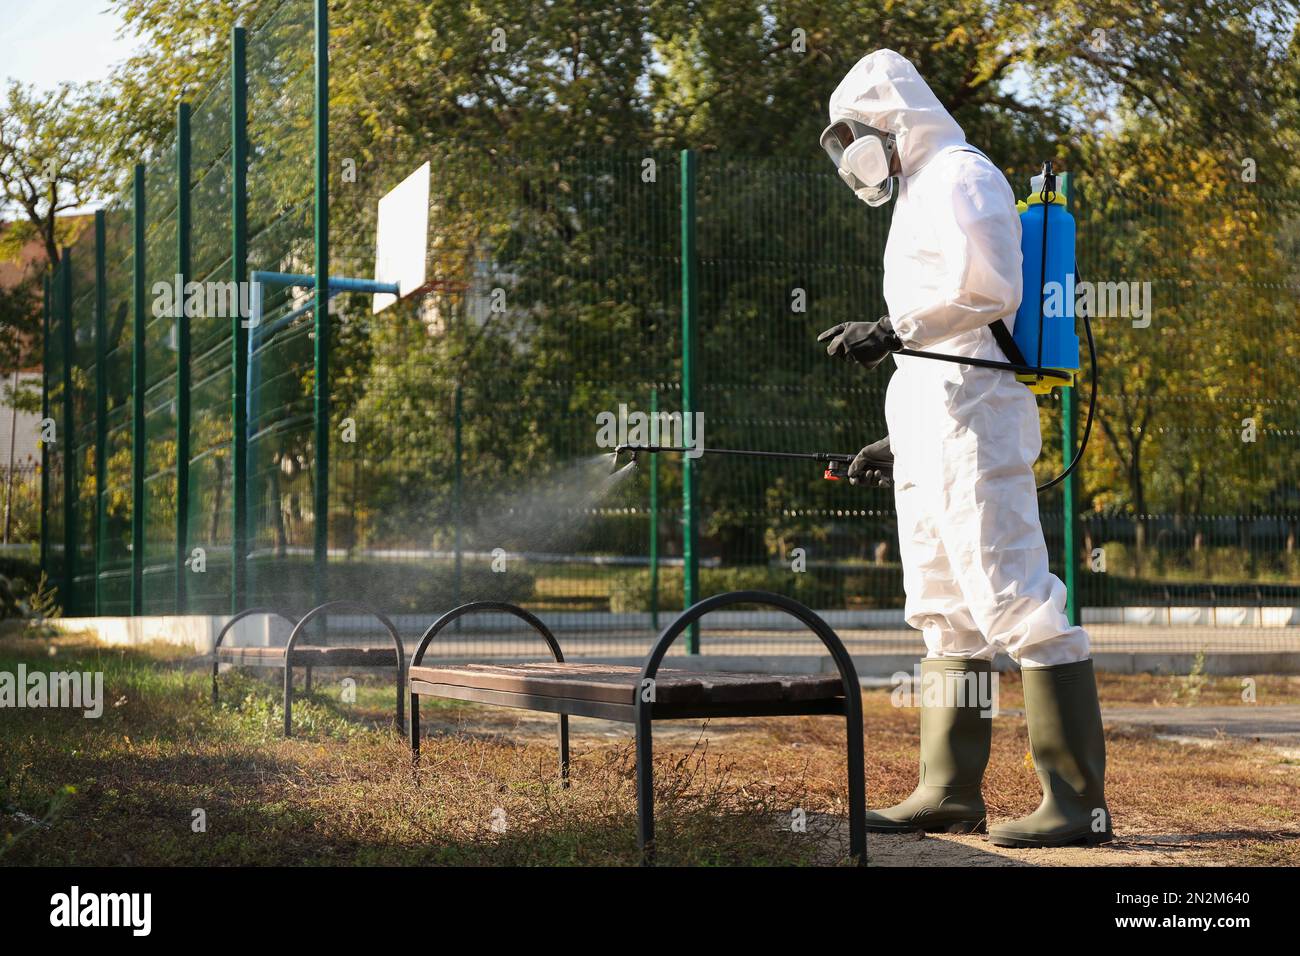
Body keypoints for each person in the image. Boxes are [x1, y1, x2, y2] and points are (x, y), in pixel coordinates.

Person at [816, 49, 1111, 848]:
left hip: (978, 416)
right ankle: (949, 789)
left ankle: (1077, 802)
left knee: (1012, 591)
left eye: (859, 133)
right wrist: (897, 441)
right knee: (943, 610)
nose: (854, 152)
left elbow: (992, 290)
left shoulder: (960, 173)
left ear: (893, 118)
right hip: (935, 415)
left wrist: (890, 330)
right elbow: (937, 345)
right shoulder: (916, 190)